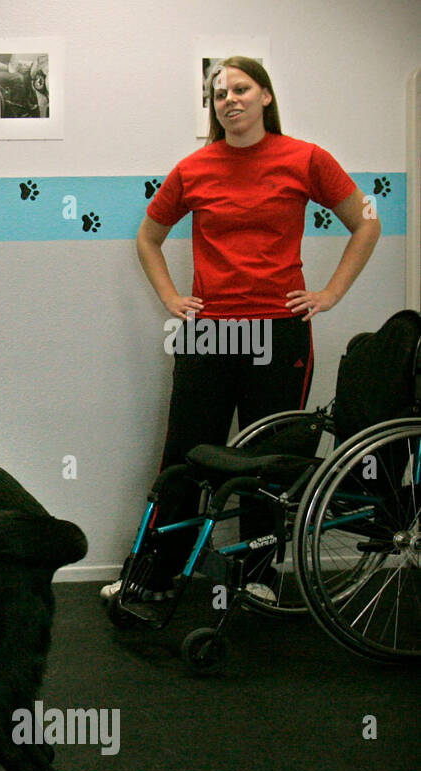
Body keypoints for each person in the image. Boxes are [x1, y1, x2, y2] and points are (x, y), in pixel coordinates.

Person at [104, 56, 380, 603]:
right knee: (185, 456)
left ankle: (255, 576)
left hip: (279, 332)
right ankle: (154, 579)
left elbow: (366, 219)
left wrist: (330, 294)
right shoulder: (193, 168)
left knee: (270, 460)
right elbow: (147, 238)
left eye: (241, 88)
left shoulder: (306, 158)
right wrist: (170, 297)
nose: (229, 99)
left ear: (265, 96)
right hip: (210, 333)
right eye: (219, 93)